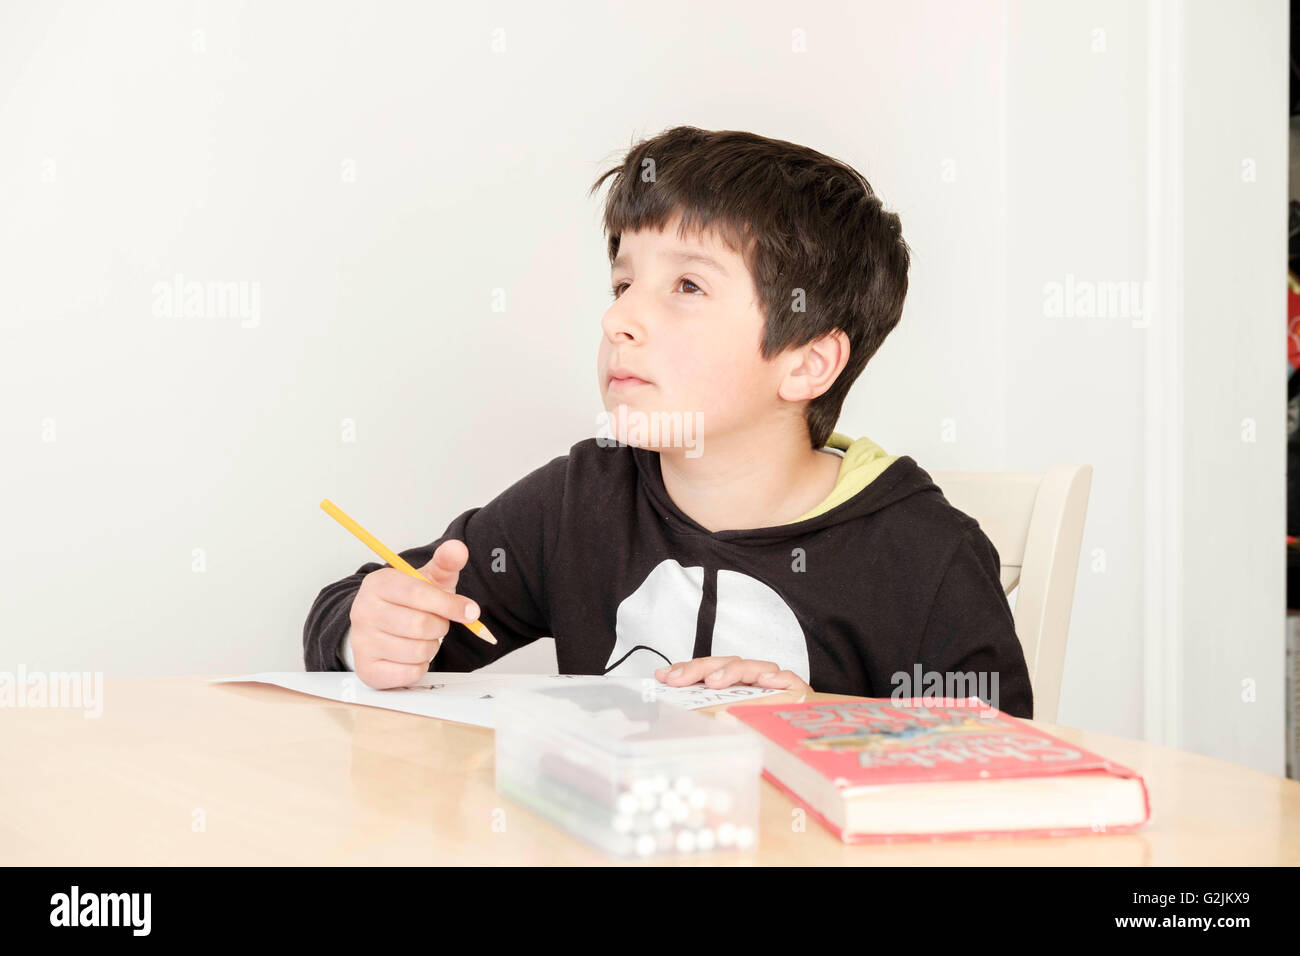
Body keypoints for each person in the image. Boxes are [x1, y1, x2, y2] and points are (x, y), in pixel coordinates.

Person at [302, 126, 1033, 718]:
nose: (618, 317)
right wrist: (369, 630)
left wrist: (828, 726)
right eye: (622, 282)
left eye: (686, 285)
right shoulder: (580, 504)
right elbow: (357, 610)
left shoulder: (923, 556)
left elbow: (999, 765)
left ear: (808, 363)